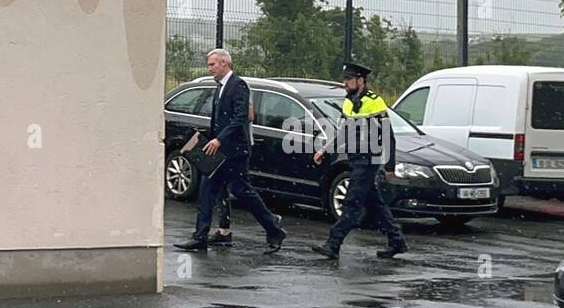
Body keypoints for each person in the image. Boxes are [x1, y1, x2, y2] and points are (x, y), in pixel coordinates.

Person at [174, 50, 287, 254]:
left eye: (212, 65)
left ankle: (273, 228)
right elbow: (218, 119)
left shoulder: (238, 85)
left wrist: (220, 139)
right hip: (219, 154)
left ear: (224, 63)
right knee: (206, 191)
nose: (210, 69)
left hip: (235, 152)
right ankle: (200, 236)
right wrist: (209, 139)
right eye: (209, 65)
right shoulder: (220, 87)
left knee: (244, 192)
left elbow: (241, 117)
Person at [311, 62, 408, 260]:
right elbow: (344, 132)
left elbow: (388, 135)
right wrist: (325, 150)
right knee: (375, 205)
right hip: (356, 159)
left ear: (361, 80)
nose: (345, 83)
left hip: (368, 160)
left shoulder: (375, 102)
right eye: (344, 79)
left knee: (352, 203)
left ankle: (333, 244)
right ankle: (397, 241)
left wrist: (390, 165)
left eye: (349, 79)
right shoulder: (348, 102)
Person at [209, 103, 256, 247]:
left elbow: (249, 116)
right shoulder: (224, 87)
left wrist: (226, 128)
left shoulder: (240, 86)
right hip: (227, 146)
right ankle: (224, 229)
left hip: (236, 147)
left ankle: (271, 222)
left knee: (240, 188)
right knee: (222, 188)